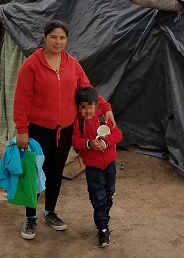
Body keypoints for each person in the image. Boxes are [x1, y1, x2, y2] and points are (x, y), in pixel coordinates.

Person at [13, 19, 116, 240]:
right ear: (45, 37)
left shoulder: (72, 64)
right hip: (38, 130)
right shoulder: (31, 65)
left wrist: (105, 107)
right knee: (34, 173)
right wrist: (22, 129)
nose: (58, 42)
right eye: (53, 37)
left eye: (62, 38)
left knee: (54, 173)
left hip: (65, 130)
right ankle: (30, 217)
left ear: (66, 40)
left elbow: (87, 90)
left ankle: (49, 212)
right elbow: (21, 99)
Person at [71, 87, 122, 248]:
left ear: (96, 105)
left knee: (109, 193)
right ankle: (103, 228)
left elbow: (117, 134)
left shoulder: (103, 118)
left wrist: (106, 143)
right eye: (83, 108)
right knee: (98, 197)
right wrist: (89, 144)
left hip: (109, 164)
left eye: (91, 107)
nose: (87, 111)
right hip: (93, 167)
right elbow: (75, 141)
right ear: (78, 107)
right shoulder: (78, 123)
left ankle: (103, 218)